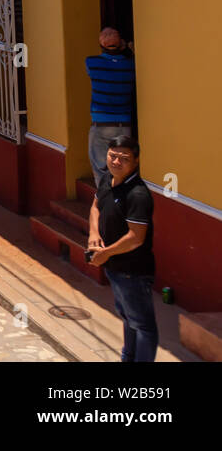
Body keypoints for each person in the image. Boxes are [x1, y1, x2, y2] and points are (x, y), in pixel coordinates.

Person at [87, 135, 157, 362]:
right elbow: (96, 206)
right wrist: (94, 234)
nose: (116, 162)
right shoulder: (108, 179)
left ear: (136, 161)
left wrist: (104, 253)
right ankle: (128, 357)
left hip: (133, 271)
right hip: (114, 267)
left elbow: (136, 237)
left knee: (143, 326)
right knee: (128, 318)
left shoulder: (137, 194)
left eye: (123, 158)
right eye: (112, 156)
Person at [85, 27, 136, 182]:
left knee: (101, 167)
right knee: (123, 166)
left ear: (101, 45)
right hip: (124, 123)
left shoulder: (92, 63)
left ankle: (106, 200)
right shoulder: (130, 65)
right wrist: (127, 48)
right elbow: (129, 56)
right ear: (120, 44)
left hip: (101, 124)